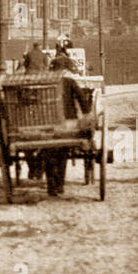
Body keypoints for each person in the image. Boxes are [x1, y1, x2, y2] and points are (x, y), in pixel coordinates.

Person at [42, 54, 96, 197]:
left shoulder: (45, 82)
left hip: (48, 121)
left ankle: (50, 185)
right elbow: (82, 99)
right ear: (66, 68)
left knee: (48, 152)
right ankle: (60, 183)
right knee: (63, 152)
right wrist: (87, 113)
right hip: (67, 122)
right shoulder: (69, 81)